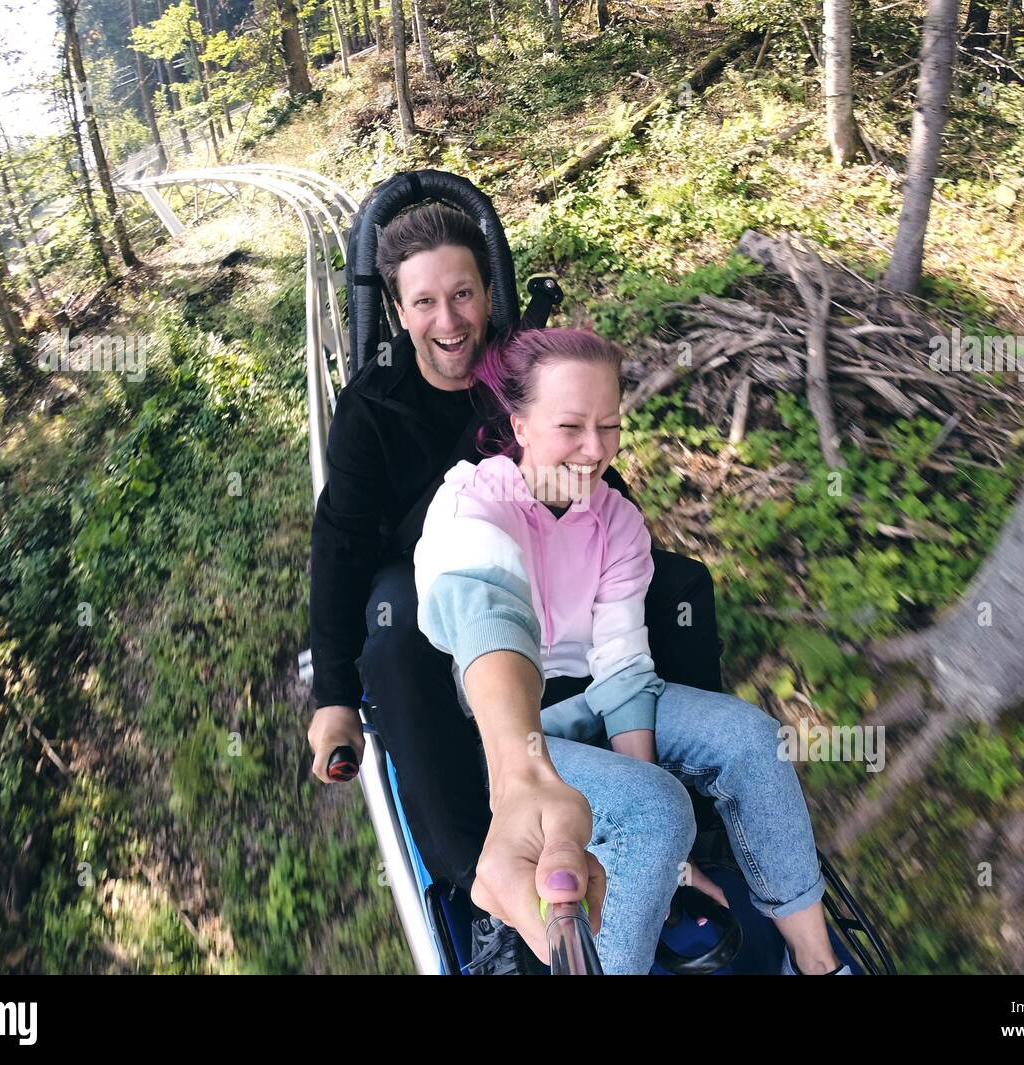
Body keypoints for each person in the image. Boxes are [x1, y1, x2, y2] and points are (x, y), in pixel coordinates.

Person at [305, 201, 724, 969]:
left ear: (488, 294)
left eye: (462, 294)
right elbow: (337, 545)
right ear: (399, 310)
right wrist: (333, 693)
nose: (448, 320)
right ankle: (482, 887)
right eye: (425, 302)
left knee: (680, 584)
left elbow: (592, 466)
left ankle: (688, 832)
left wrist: (630, 569)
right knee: (392, 630)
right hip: (432, 581)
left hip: (545, 547)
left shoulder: (521, 374)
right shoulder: (371, 408)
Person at [413, 326, 851, 975]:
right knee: (654, 807)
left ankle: (816, 962)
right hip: (518, 722)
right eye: (571, 426)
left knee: (753, 738)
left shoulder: (616, 519)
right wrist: (520, 772)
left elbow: (622, 666)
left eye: (609, 426)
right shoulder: (473, 503)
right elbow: (487, 607)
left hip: (593, 695)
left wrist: (670, 845)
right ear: (521, 423)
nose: (595, 450)